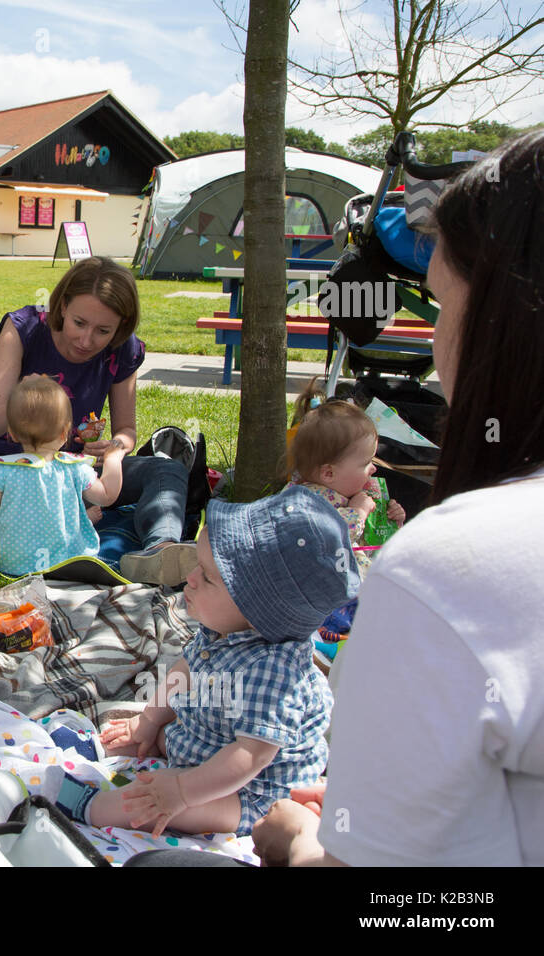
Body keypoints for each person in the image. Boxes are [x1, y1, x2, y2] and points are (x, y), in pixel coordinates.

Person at [251, 130, 544, 867]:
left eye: (443, 305)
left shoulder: (454, 570)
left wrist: (298, 840)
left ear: (507, 326)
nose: (440, 339)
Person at [53, 485, 358, 838]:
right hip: (203, 741)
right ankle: (105, 748)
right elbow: (186, 671)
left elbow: (250, 756)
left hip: (248, 792)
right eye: (198, 566)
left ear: (260, 612)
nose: (190, 579)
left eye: (208, 577)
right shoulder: (222, 630)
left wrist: (180, 791)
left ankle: (91, 809)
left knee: (160, 805)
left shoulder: (276, 672)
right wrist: (149, 721)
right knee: (151, 734)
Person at [0, 256, 191, 585]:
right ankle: (49, 508)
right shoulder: (25, 327)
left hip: (76, 470)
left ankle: (161, 551)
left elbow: (127, 430)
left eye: (103, 331)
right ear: (62, 306)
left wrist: (115, 448)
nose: (87, 341)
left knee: (166, 469)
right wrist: (33, 400)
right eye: (79, 323)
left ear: (121, 327)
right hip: (0, 463)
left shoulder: (122, 350)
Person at [0, 376, 131, 576]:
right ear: (65, 433)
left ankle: (80, 520)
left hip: (13, 565)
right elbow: (107, 495)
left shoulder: (2, 471)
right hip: (69, 563)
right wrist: (113, 458)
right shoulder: (74, 467)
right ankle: (80, 523)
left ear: (12, 433)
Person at [286, 381, 406, 575]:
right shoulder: (306, 500)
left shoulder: (347, 492)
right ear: (329, 473)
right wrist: (358, 511)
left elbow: (366, 542)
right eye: (366, 463)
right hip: (332, 590)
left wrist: (390, 522)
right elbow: (329, 535)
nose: (374, 469)